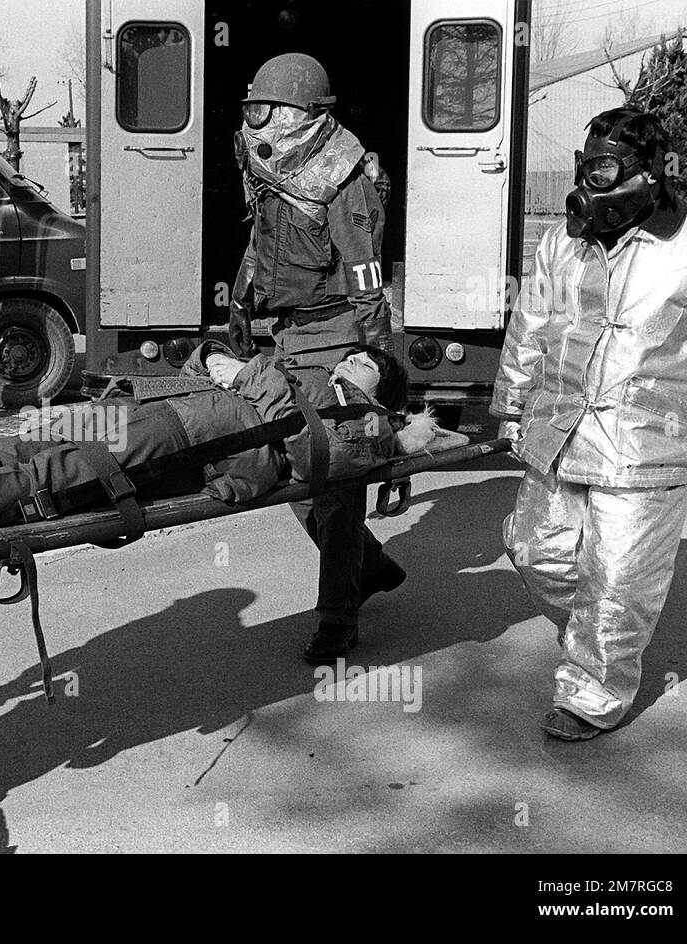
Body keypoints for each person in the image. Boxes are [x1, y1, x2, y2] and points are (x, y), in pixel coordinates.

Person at [492, 106, 687, 741]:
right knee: (535, 551)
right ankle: (596, 634)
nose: (593, 184)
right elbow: (530, 325)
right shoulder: (561, 242)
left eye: (608, 169)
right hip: (559, 432)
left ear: (650, 174)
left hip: (647, 447)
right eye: (586, 166)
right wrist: (512, 404)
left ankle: (593, 693)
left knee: (618, 577)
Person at [0, 344, 424, 537]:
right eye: (354, 353)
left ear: (384, 395)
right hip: (166, 411)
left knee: (47, 481)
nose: (355, 359)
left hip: (187, 439)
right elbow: (219, 367)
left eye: (369, 363)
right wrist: (225, 362)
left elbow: (312, 451)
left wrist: (248, 374)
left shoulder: (366, 429)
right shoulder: (312, 380)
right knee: (24, 446)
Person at [225, 53, 404, 664]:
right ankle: (368, 565)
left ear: (304, 114)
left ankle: (337, 620)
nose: (256, 119)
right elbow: (260, 241)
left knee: (334, 483)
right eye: (252, 107)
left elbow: (365, 274)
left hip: (334, 338)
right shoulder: (271, 166)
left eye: (267, 108)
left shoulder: (344, 177)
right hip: (286, 337)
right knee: (295, 477)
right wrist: (242, 303)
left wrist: (372, 358)